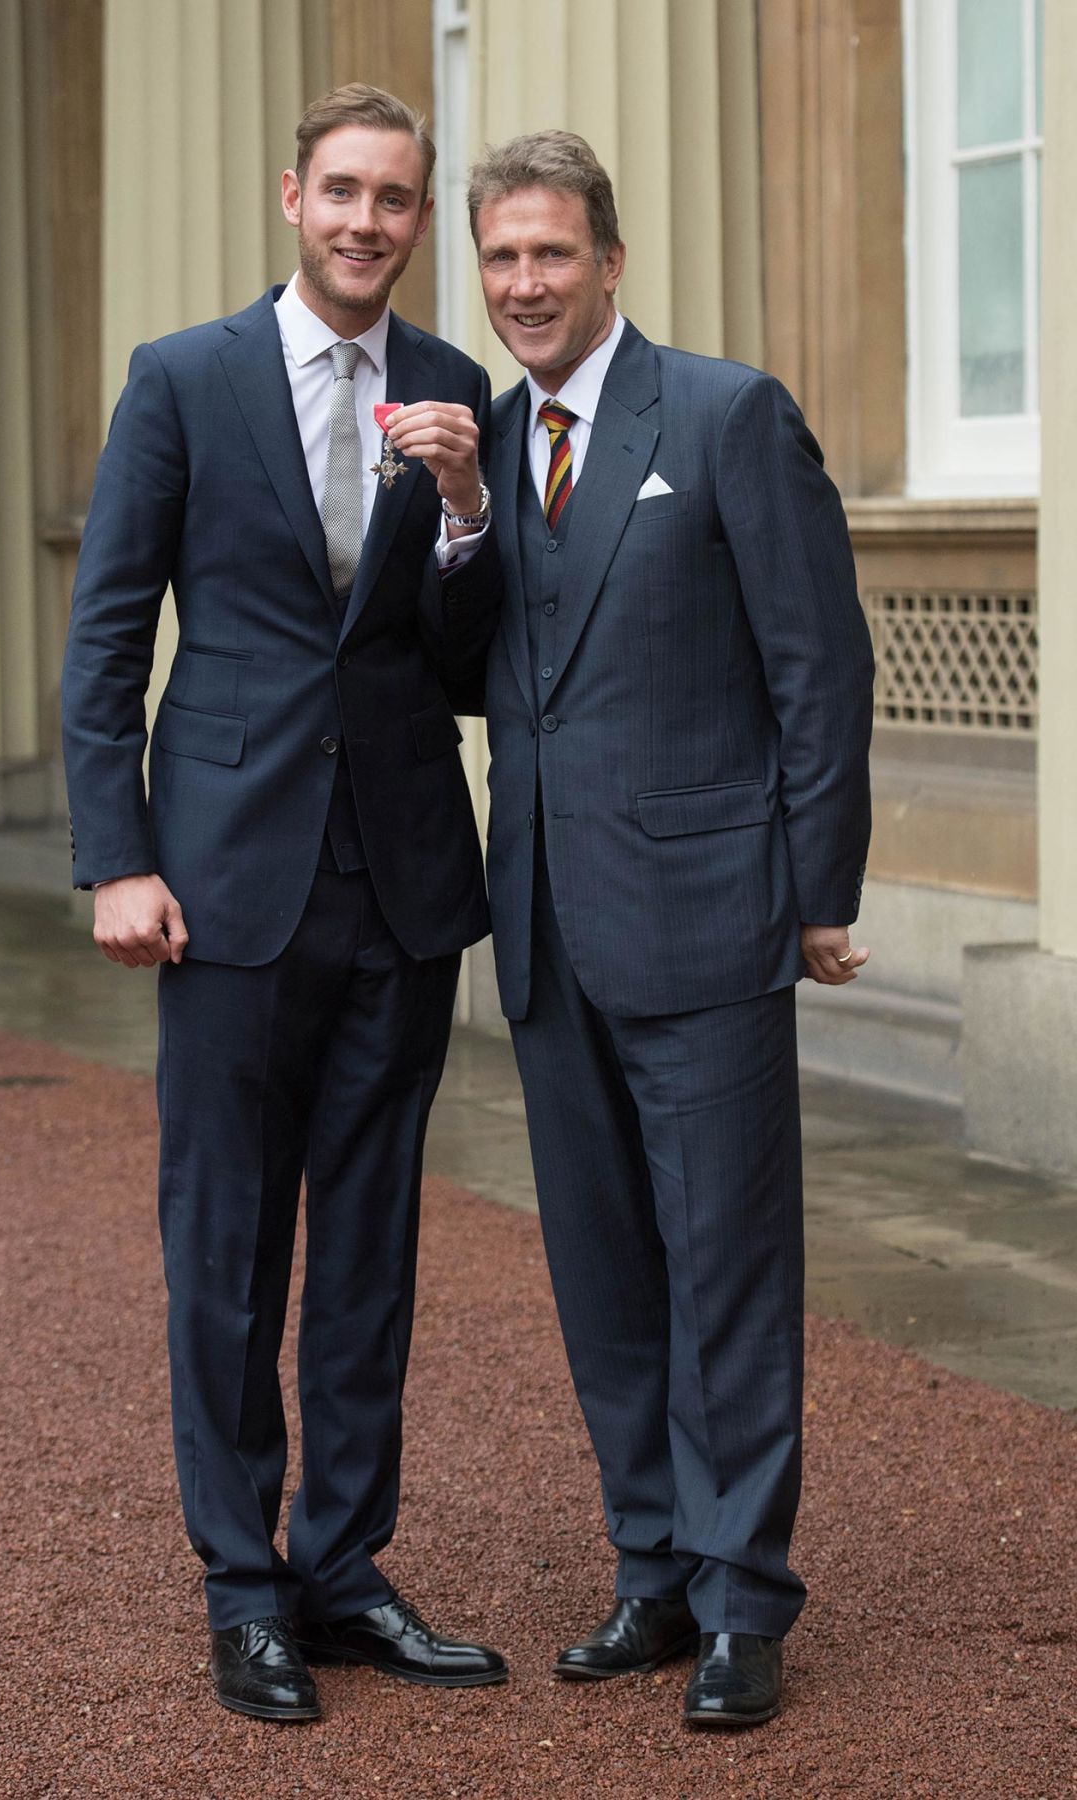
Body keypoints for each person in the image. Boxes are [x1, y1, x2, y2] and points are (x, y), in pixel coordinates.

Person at [61, 84, 508, 1723]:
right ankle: (239, 1585)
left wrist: (469, 513)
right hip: (227, 884)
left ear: (417, 215)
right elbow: (110, 633)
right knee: (230, 1251)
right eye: (343, 193)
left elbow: (468, 666)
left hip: (397, 882)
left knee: (375, 1250)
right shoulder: (180, 380)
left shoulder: (458, 390)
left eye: (396, 200)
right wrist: (116, 854)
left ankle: (343, 1571)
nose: (367, 223)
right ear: (290, 197)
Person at [466, 131, 874, 1727]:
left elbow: (817, 668)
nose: (525, 285)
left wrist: (819, 890)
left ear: (612, 261)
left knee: (725, 1271)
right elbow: (470, 657)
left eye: (552, 254)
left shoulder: (723, 414)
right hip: (549, 930)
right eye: (501, 259)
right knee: (603, 1272)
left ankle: (742, 1599)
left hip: (705, 920)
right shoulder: (488, 449)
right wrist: (442, 516)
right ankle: (650, 1564)